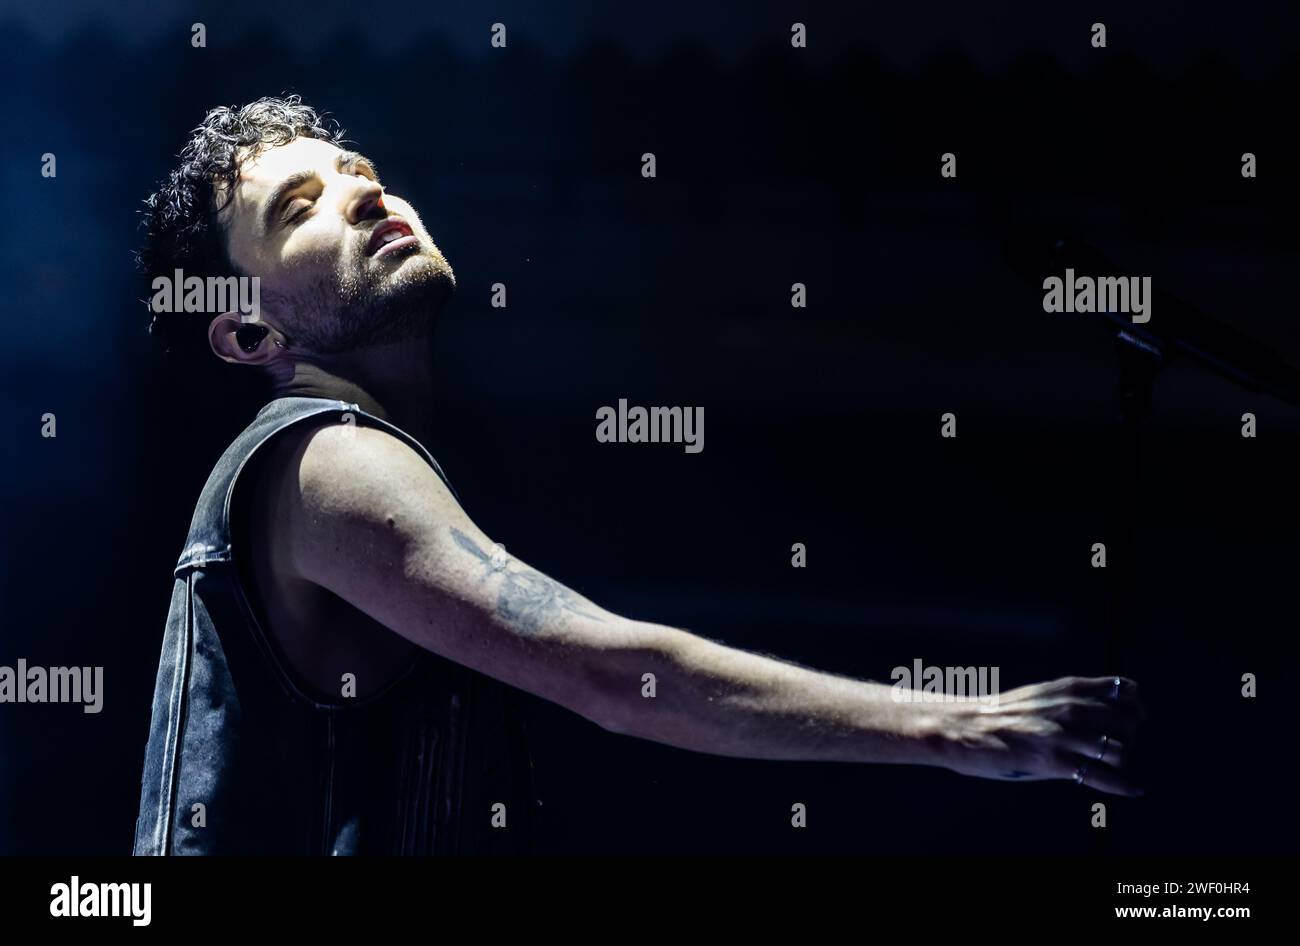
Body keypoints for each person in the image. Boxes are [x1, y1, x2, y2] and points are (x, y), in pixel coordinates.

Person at [132, 95, 1143, 855]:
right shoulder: (325, 459)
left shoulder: (338, 456)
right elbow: (614, 672)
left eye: (358, 169)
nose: (362, 191)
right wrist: (959, 726)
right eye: (300, 205)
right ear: (247, 331)